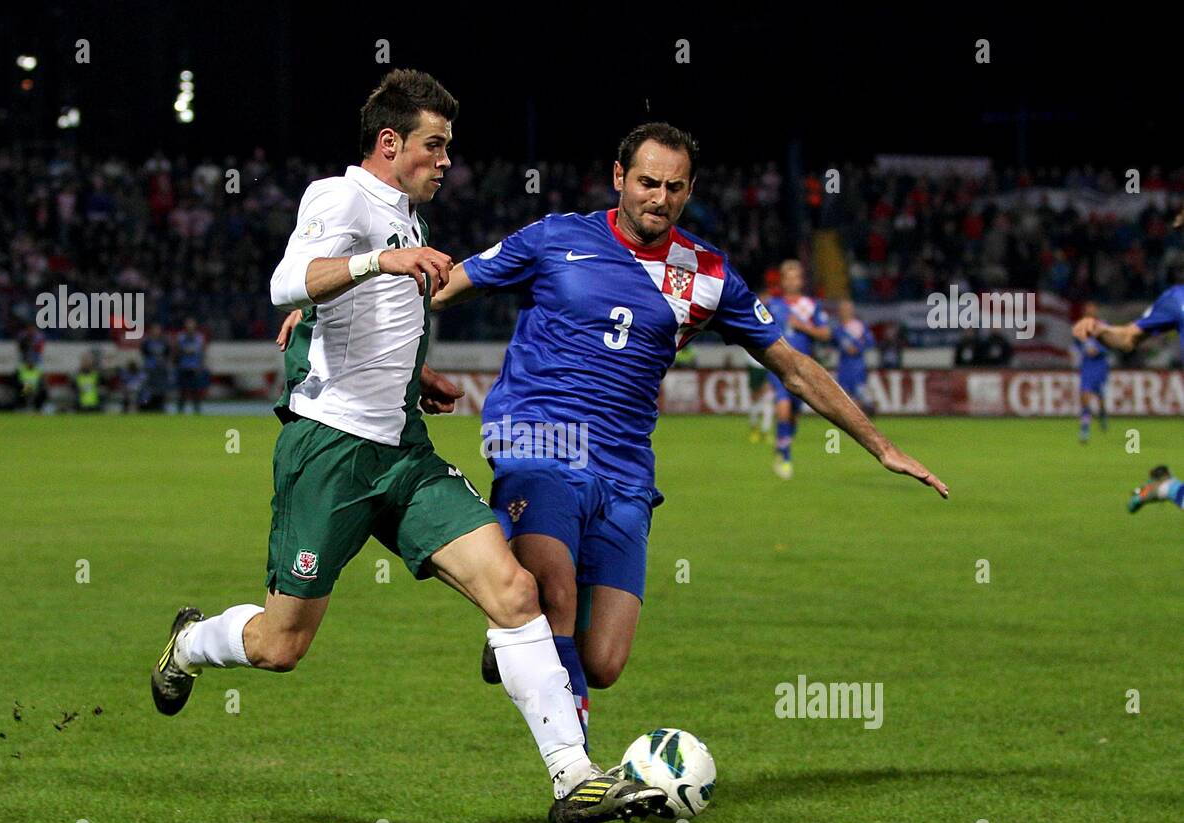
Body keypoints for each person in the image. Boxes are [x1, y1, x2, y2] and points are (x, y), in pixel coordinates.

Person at [153, 69, 667, 823]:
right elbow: (287, 283)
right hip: (330, 455)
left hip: (404, 452)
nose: (446, 160)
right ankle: (192, 642)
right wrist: (376, 265)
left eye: (449, 147)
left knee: (515, 590)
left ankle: (574, 777)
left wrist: (411, 374)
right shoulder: (341, 196)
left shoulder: (407, 218)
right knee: (282, 643)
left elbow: (361, 319)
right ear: (390, 143)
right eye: (435, 145)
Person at [406, 122, 948, 748]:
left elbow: (795, 368)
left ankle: (517, 643)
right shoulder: (555, 238)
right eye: (645, 182)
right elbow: (436, 289)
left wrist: (882, 446)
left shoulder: (708, 276)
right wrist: (332, 316)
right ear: (618, 178)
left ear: (689, 191)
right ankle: (578, 777)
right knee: (551, 591)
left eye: (673, 187)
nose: (657, 199)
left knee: (603, 661)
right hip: (538, 439)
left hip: (626, 471)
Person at [1074, 279, 1184, 511]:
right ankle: (1166, 487)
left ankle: (1166, 487)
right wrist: (1101, 330)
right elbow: (1127, 337)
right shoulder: (1176, 299)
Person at [764, 259, 833, 478]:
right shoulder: (772, 305)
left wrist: (803, 326)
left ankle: (783, 441)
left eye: (796, 277)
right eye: (789, 277)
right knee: (782, 406)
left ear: (801, 281)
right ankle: (784, 457)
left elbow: (825, 334)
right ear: (782, 281)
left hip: (803, 367)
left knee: (793, 414)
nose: (793, 281)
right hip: (778, 365)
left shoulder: (810, 306)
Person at [1072, 300, 1109, 443]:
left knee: (1099, 396)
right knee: (1085, 396)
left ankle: (1102, 414)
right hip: (1087, 366)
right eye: (1087, 309)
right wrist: (1083, 350)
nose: (1090, 311)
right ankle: (1085, 428)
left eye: (1092, 309)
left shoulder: (1104, 326)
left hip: (1100, 365)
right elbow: (1077, 343)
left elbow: (1111, 343)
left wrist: (1099, 350)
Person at [832, 299, 875, 414]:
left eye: (847, 309)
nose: (845, 312)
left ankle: (865, 415)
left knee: (860, 395)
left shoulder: (860, 326)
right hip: (844, 366)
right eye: (842, 309)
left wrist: (858, 346)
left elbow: (870, 341)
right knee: (844, 397)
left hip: (857, 366)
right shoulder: (837, 329)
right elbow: (833, 345)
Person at [175, 317, 207, 414]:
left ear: (195, 326)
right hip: (183, 367)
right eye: (188, 324)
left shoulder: (199, 338)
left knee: (196, 391)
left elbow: (202, 353)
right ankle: (180, 411)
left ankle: (197, 411)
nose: (190, 326)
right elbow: (177, 352)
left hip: (195, 368)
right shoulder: (180, 337)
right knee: (182, 391)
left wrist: (201, 366)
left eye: (191, 324)